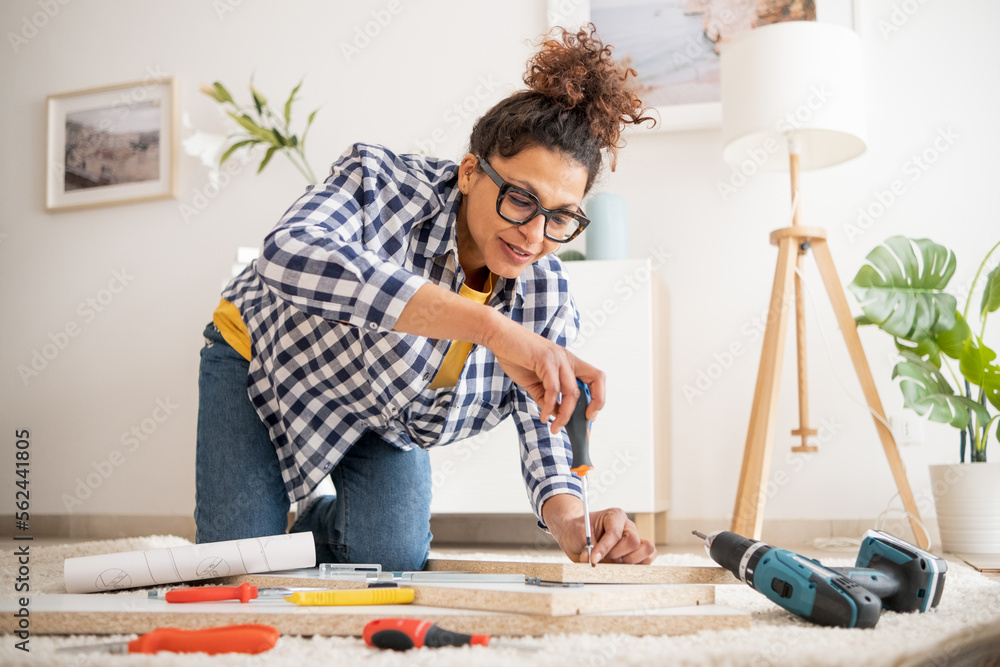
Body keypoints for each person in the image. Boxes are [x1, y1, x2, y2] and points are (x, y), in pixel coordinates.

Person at [194, 25, 656, 571]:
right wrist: (490, 328)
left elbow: (548, 424)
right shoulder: (378, 183)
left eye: (559, 217)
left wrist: (576, 526)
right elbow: (288, 252)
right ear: (469, 173)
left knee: (393, 558)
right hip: (267, 362)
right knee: (237, 566)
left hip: (382, 411)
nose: (535, 234)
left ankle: (312, 522)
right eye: (521, 198)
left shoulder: (545, 294)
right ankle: (266, 523)